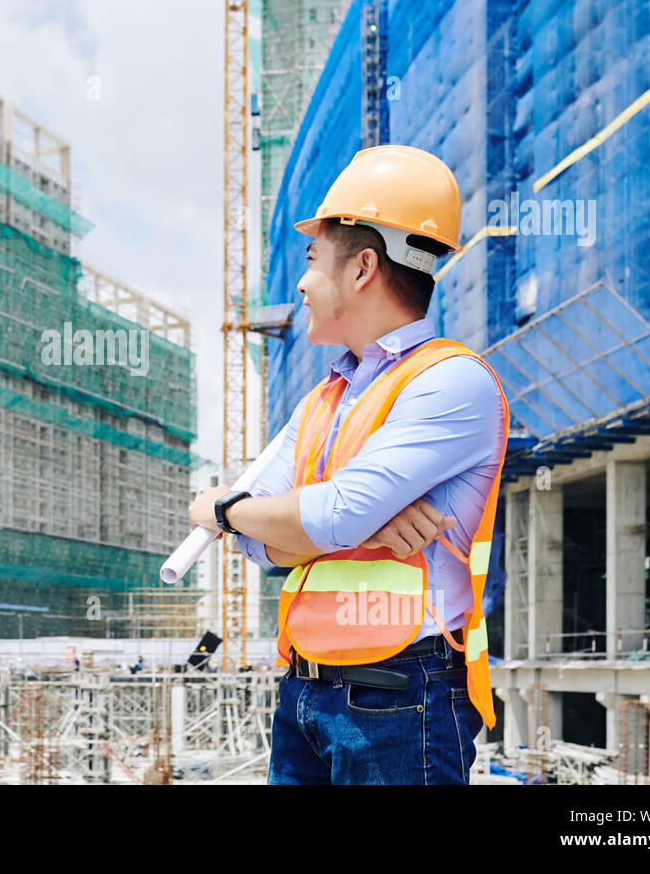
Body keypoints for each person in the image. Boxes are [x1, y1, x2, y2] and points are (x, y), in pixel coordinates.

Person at [189, 145, 509, 785]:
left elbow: (325, 516)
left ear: (363, 267)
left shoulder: (450, 383)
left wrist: (228, 509)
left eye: (312, 261)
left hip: (399, 699)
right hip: (304, 696)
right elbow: (266, 547)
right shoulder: (325, 399)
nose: (302, 283)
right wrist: (329, 523)